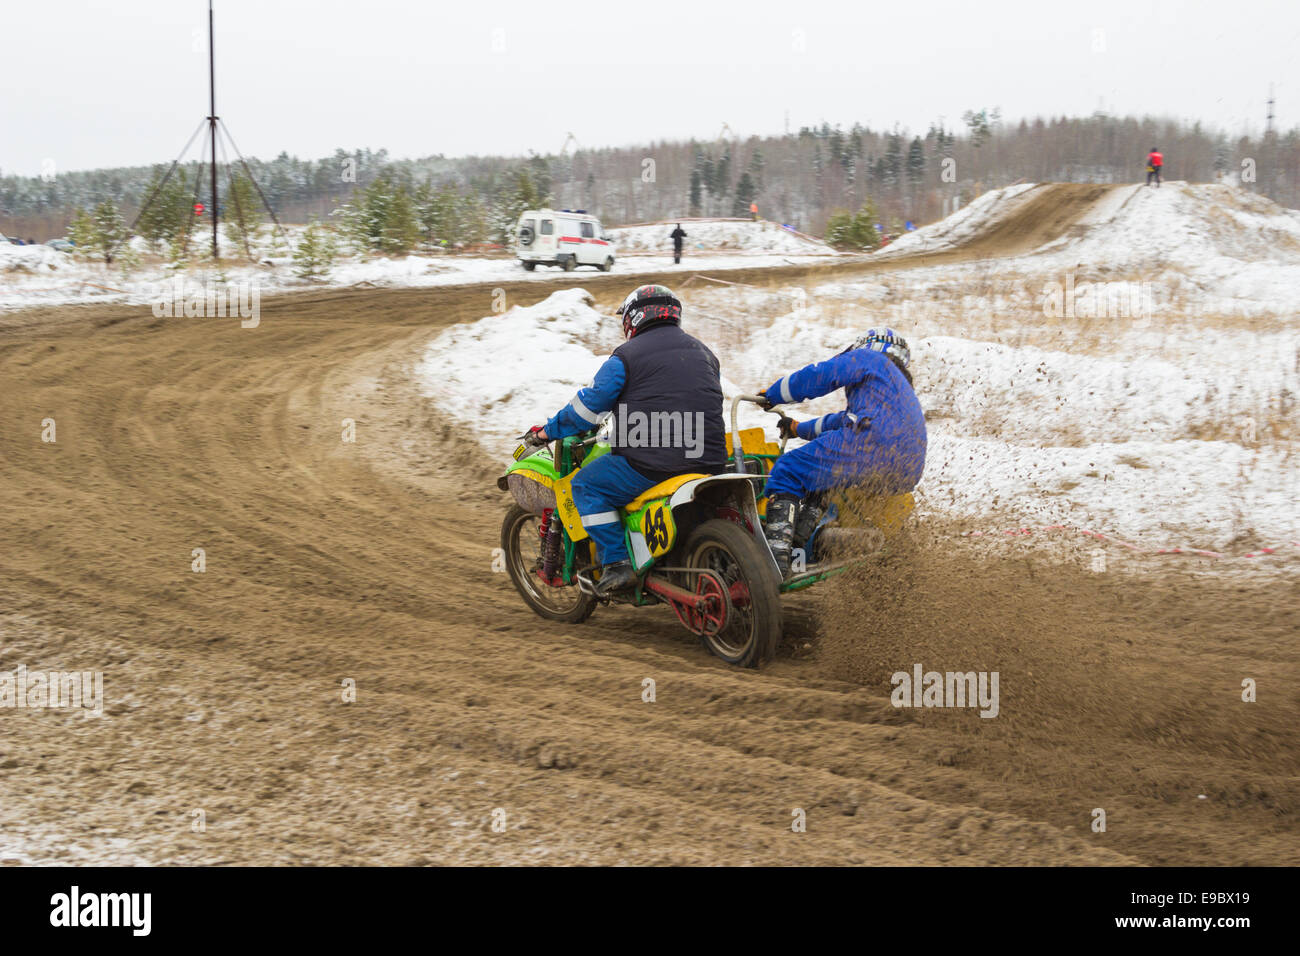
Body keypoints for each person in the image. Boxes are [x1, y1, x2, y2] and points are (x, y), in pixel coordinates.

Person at [525, 285, 727, 596]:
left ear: (634, 318)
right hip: (710, 459)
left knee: (587, 485)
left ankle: (617, 563)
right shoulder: (705, 352)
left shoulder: (626, 356)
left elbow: (588, 408)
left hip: (655, 464)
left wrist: (548, 431)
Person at [755, 329, 926, 576]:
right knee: (826, 476)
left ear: (869, 346)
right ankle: (800, 541)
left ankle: (775, 562)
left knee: (787, 469)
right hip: (908, 468)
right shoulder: (899, 388)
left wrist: (773, 395)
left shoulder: (871, 359)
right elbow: (843, 420)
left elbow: (820, 375)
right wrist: (797, 428)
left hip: (871, 443)